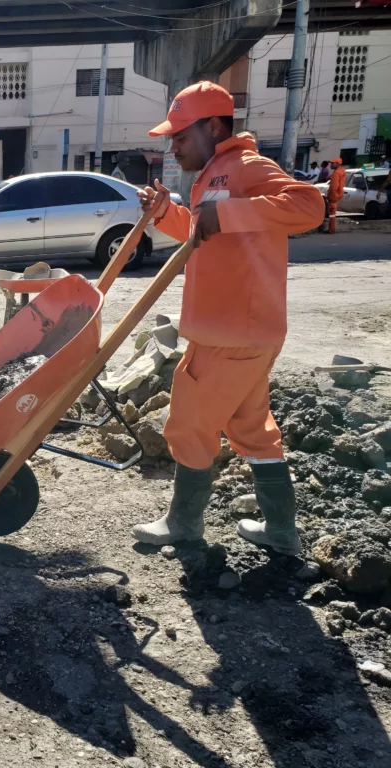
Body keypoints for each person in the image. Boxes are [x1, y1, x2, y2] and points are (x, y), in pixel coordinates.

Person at [130, 81, 324, 557]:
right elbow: (203, 233)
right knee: (251, 428)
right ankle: (281, 530)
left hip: (230, 331)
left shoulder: (247, 166)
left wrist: (231, 212)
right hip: (242, 331)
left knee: (188, 423)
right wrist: (165, 213)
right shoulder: (214, 173)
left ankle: (183, 523)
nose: (172, 147)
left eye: (180, 136)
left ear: (214, 126)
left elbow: (310, 206)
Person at [325, 158, 346, 234]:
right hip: (338, 193)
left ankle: (331, 229)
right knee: (332, 213)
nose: (331, 165)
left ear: (337, 164)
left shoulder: (336, 173)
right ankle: (331, 229)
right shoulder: (342, 171)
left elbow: (334, 186)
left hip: (334, 195)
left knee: (332, 213)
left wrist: (330, 195)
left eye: (333, 163)